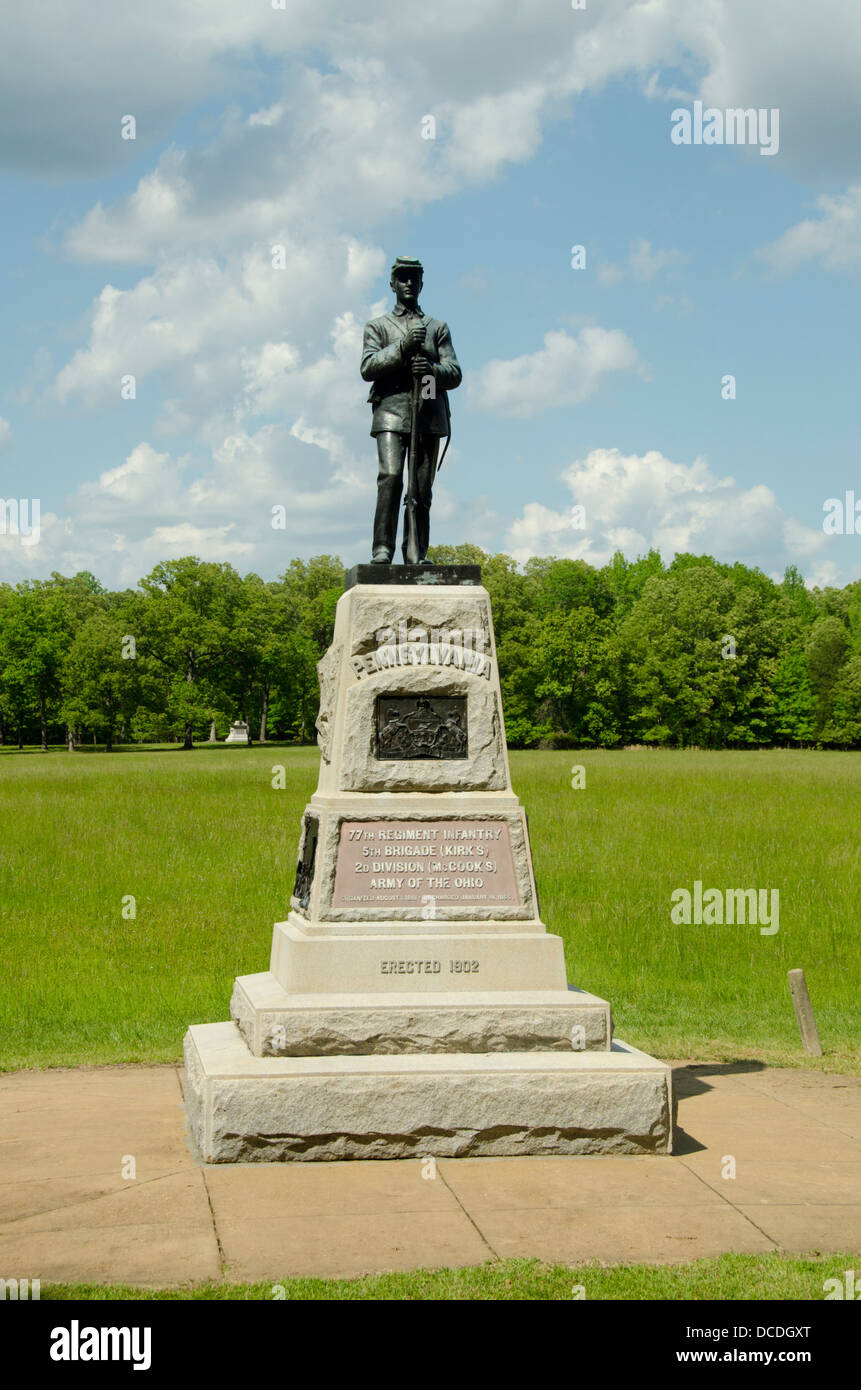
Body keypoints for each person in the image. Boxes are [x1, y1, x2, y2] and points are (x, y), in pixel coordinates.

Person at [360, 256, 462, 563]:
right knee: (390, 477)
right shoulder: (378, 326)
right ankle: (382, 549)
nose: (408, 283)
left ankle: (416, 552)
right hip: (391, 410)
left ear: (421, 283)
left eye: (413, 278)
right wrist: (403, 348)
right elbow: (368, 366)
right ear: (392, 283)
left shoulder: (436, 328)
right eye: (402, 278)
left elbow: (454, 371)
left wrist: (430, 369)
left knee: (421, 489)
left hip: (428, 411)